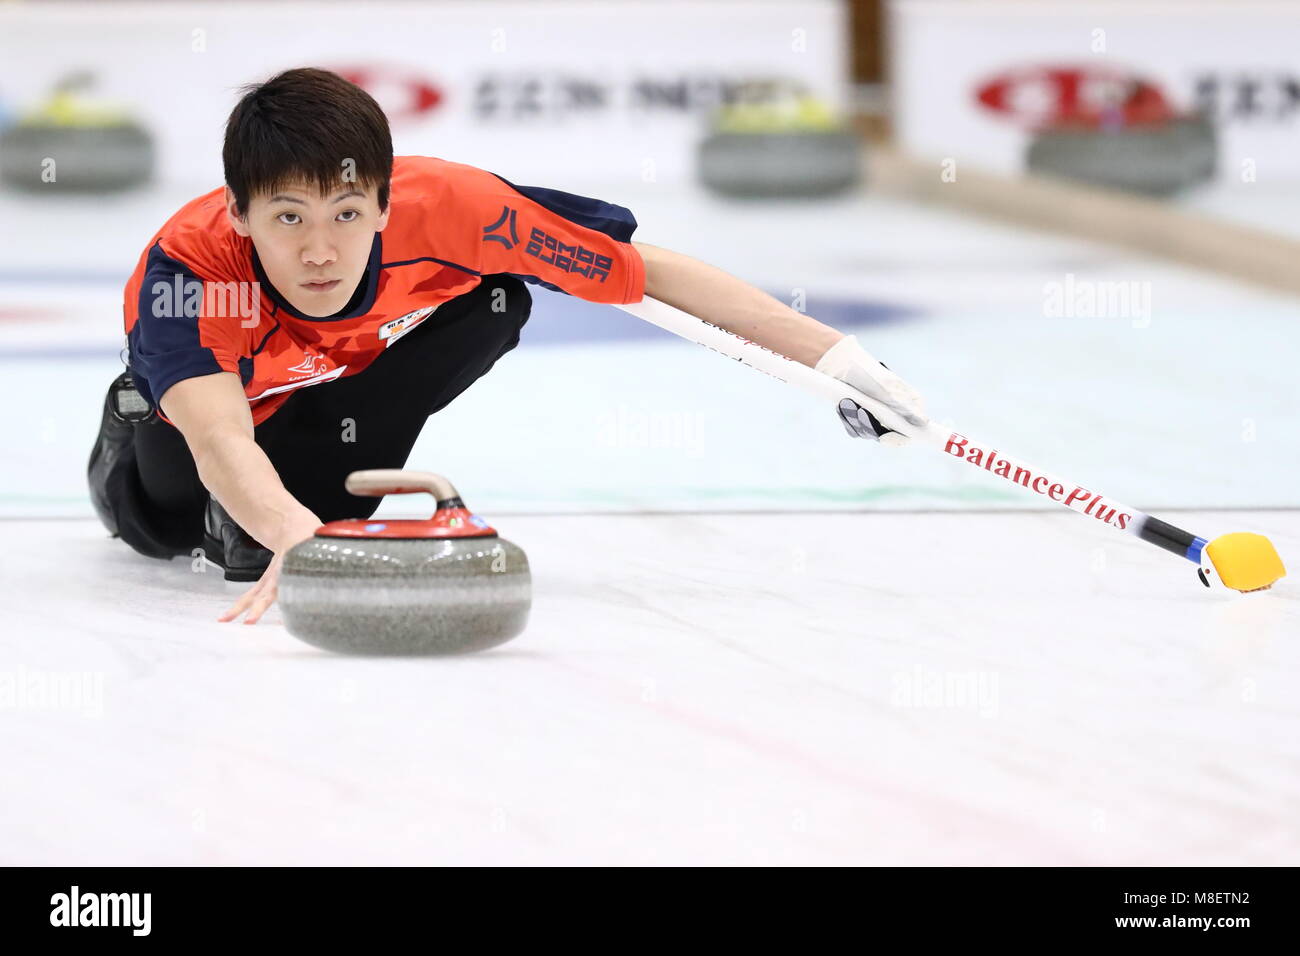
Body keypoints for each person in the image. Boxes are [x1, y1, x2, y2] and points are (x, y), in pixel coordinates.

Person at [87, 68, 928, 626]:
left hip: (337, 389)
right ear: (239, 213)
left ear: (383, 204)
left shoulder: (457, 209)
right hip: (210, 424)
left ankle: (286, 507)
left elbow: (646, 275)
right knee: (175, 527)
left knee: (495, 299)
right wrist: (294, 536)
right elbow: (220, 437)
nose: (319, 250)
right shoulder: (192, 267)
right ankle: (139, 455)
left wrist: (841, 362)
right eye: (287, 219)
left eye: (346, 214)